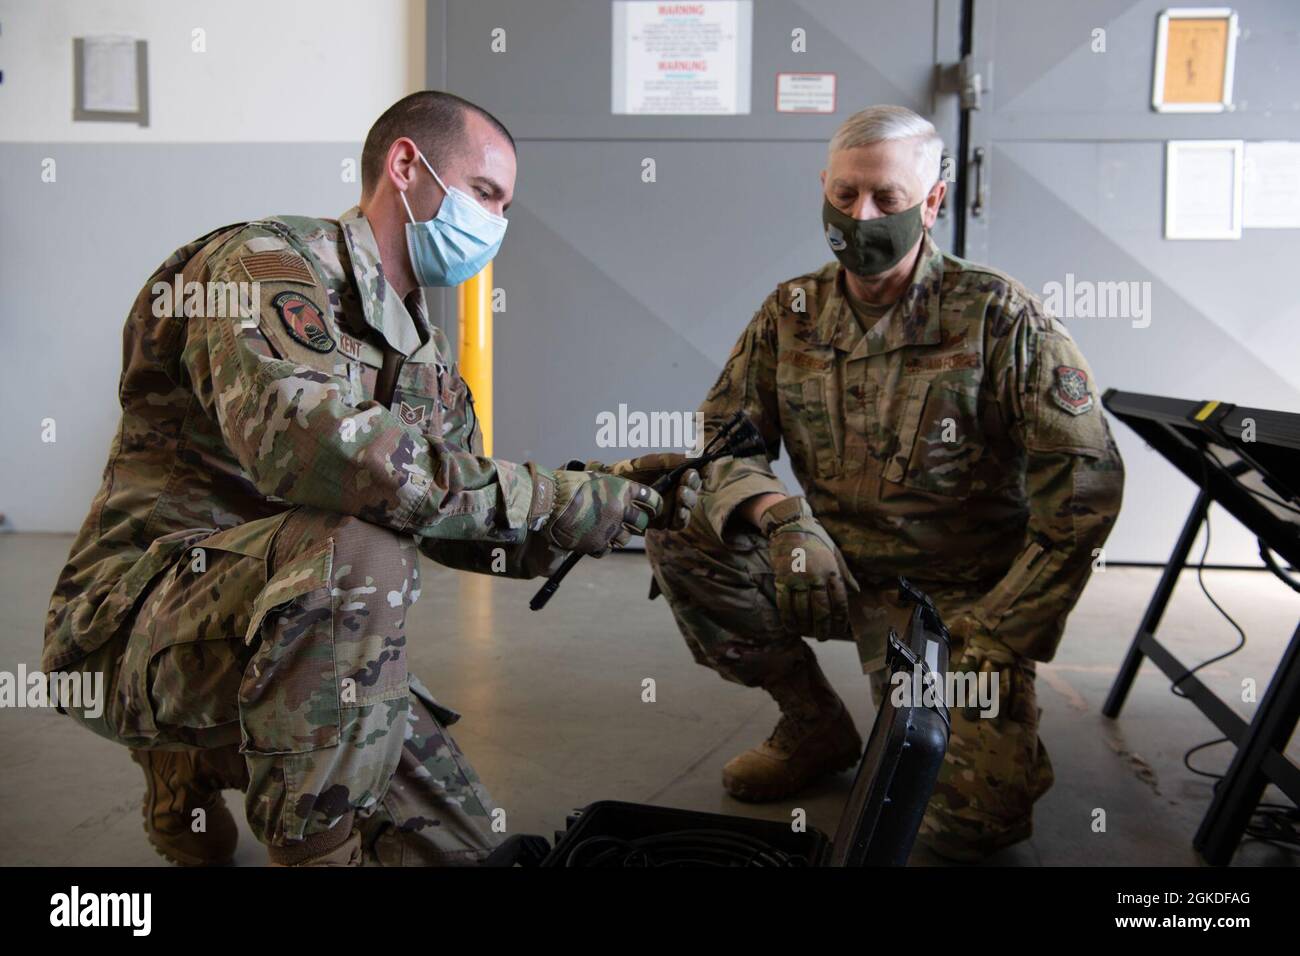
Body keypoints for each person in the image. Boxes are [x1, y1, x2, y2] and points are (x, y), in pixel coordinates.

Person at [43, 91, 697, 867]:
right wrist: (554, 498)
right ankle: (263, 815)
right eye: (486, 193)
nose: (496, 223)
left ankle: (215, 746)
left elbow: (464, 521)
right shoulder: (265, 266)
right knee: (356, 543)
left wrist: (607, 500)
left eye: (506, 206)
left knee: (468, 850)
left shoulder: (422, 356)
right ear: (406, 166)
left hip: (294, 626)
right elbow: (320, 451)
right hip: (132, 625)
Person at [645, 105, 1124, 861]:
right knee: (679, 525)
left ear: (932, 202)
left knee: (968, 827)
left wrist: (1001, 631)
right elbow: (721, 443)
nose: (860, 216)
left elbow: (1085, 488)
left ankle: (989, 725)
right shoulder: (791, 311)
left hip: (957, 602)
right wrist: (781, 518)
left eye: (887, 199)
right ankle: (813, 724)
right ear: (824, 189)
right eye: (843, 196)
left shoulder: (1001, 317)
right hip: (826, 569)